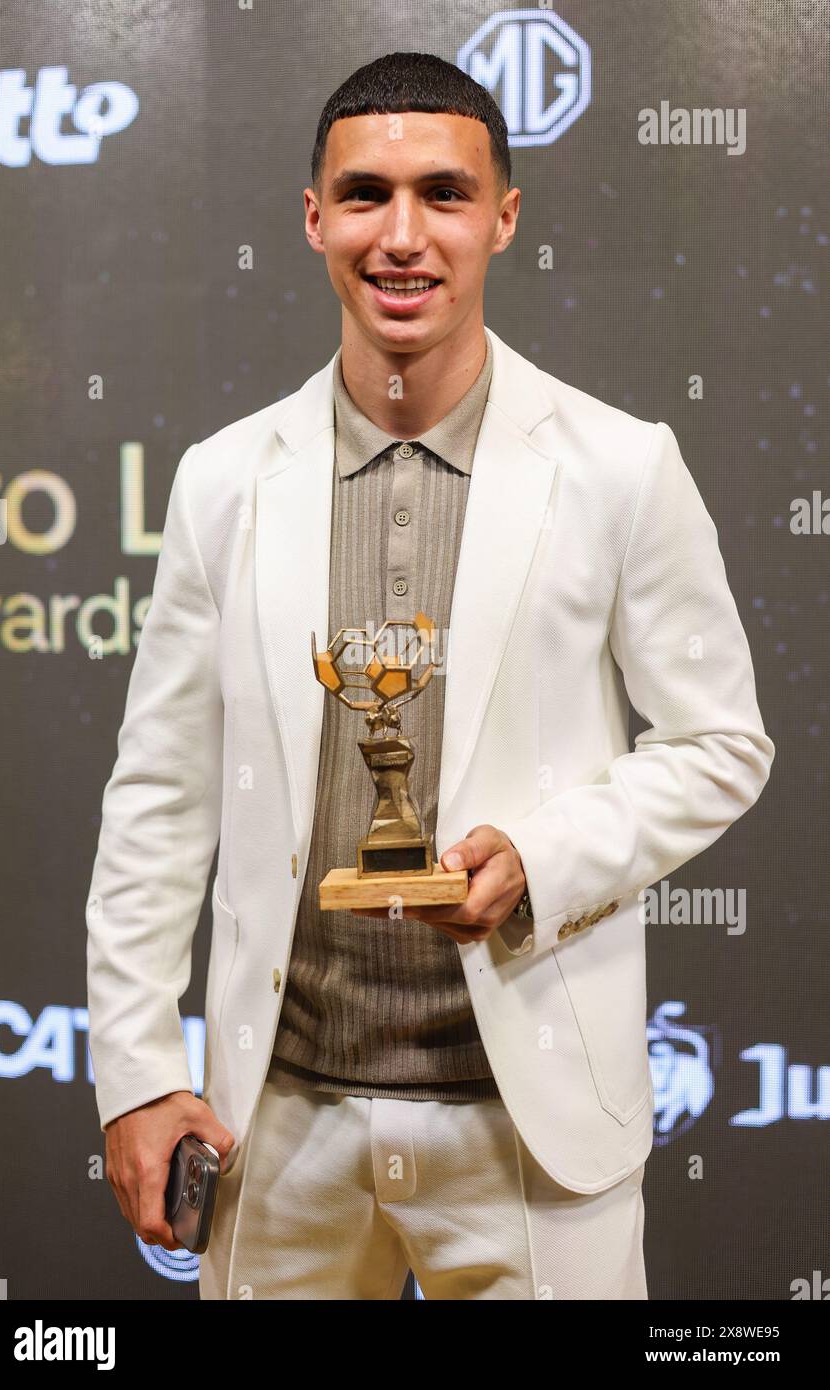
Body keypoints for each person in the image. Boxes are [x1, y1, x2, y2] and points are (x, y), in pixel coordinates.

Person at [86, 52, 774, 1300]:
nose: (401, 237)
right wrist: (137, 1068)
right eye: (363, 194)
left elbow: (720, 741)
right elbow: (158, 800)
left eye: (443, 194)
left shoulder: (622, 467)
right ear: (311, 219)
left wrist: (547, 857)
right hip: (273, 1127)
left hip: (530, 1127)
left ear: (504, 217)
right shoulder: (224, 480)